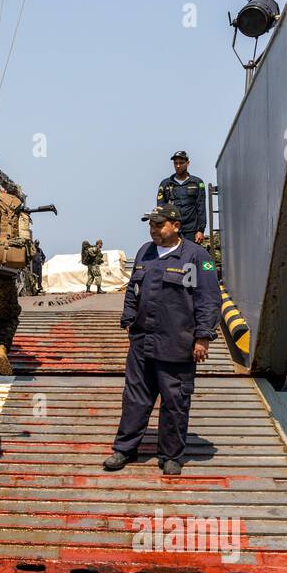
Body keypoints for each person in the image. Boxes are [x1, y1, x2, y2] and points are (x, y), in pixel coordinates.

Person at [103, 206, 219, 476]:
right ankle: (125, 449)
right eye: (151, 225)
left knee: (175, 400)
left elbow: (209, 299)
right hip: (142, 341)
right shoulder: (145, 252)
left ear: (176, 226)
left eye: (159, 225)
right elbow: (133, 289)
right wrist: (128, 316)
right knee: (135, 397)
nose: (153, 230)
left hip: (177, 342)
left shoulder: (196, 257)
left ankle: (171, 455)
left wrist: (203, 337)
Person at [156, 151, 207, 244]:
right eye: (176, 163)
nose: (178, 166)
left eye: (181, 163)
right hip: (172, 229)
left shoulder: (197, 183)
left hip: (191, 230)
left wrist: (201, 230)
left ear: (188, 163)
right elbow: (160, 208)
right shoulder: (165, 183)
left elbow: (201, 208)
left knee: (191, 252)